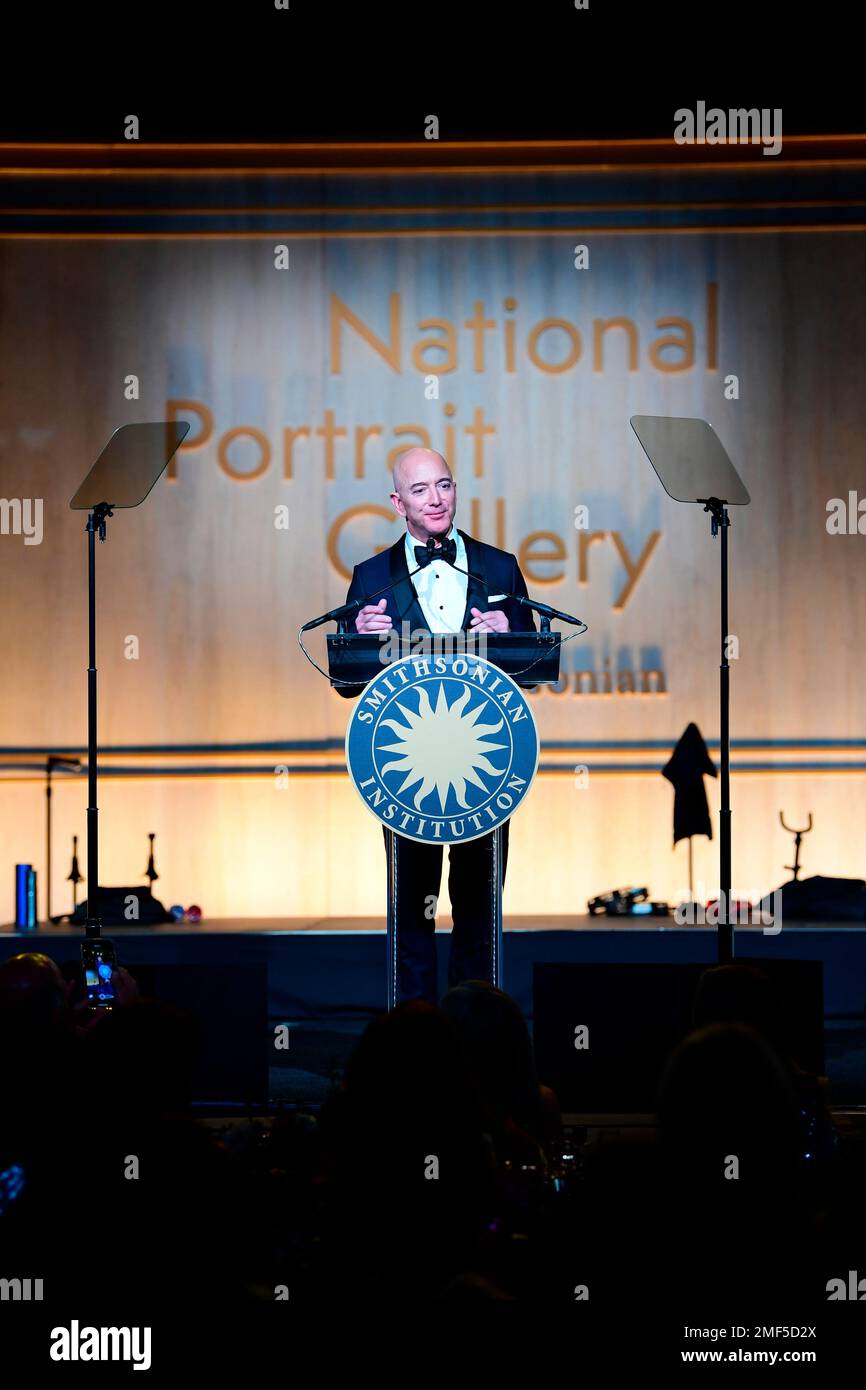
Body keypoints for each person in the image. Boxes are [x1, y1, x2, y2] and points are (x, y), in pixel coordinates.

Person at [344, 447, 536, 1004]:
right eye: (422, 489)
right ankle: (416, 1046)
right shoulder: (371, 576)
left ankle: (478, 1042)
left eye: (445, 486)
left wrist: (510, 631)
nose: (436, 499)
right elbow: (348, 683)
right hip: (405, 770)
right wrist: (360, 634)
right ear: (397, 501)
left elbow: (529, 670)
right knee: (412, 913)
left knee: (479, 913)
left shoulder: (499, 568)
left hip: (486, 766)